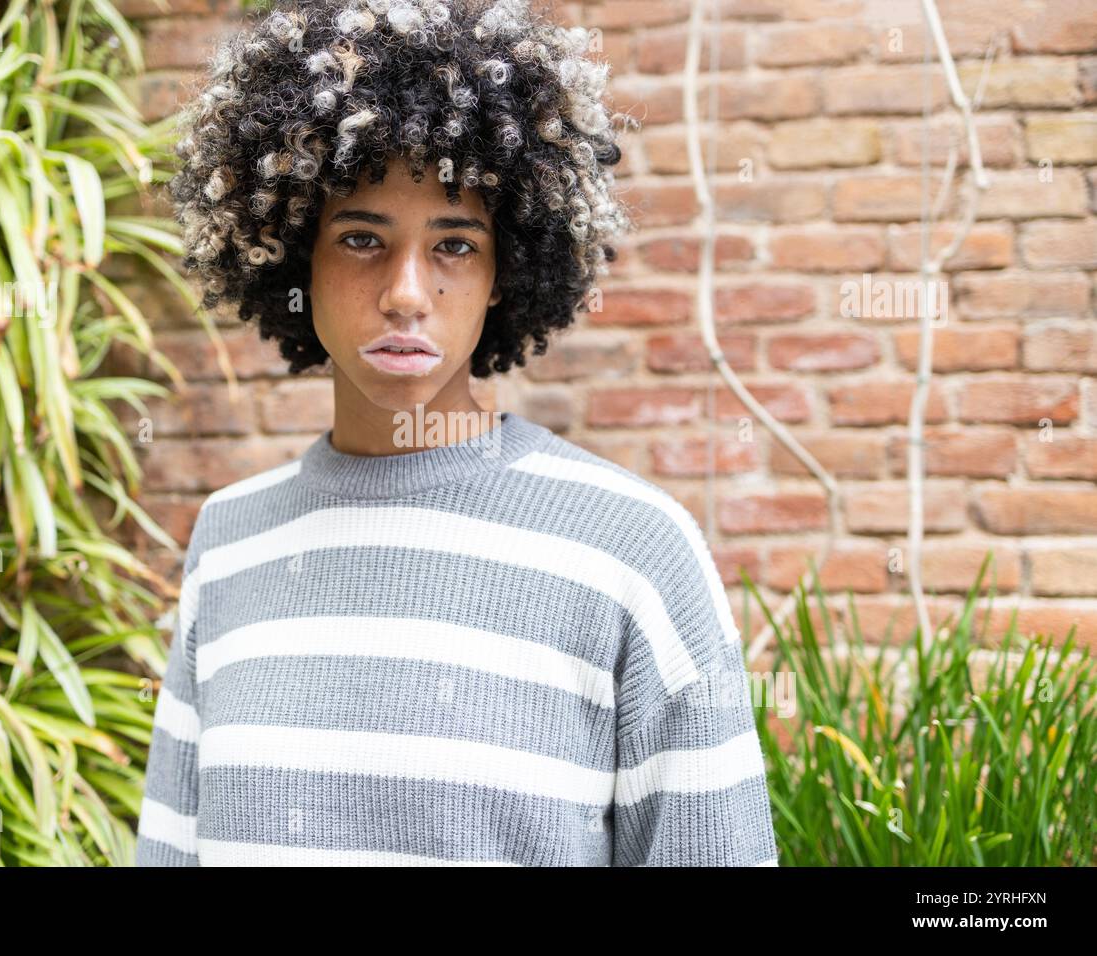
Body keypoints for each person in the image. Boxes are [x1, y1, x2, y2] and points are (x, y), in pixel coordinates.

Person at [135, 0, 778, 866]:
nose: (405, 291)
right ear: (294, 255)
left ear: (507, 269)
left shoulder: (634, 552)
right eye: (361, 238)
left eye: (455, 245)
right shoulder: (230, 544)